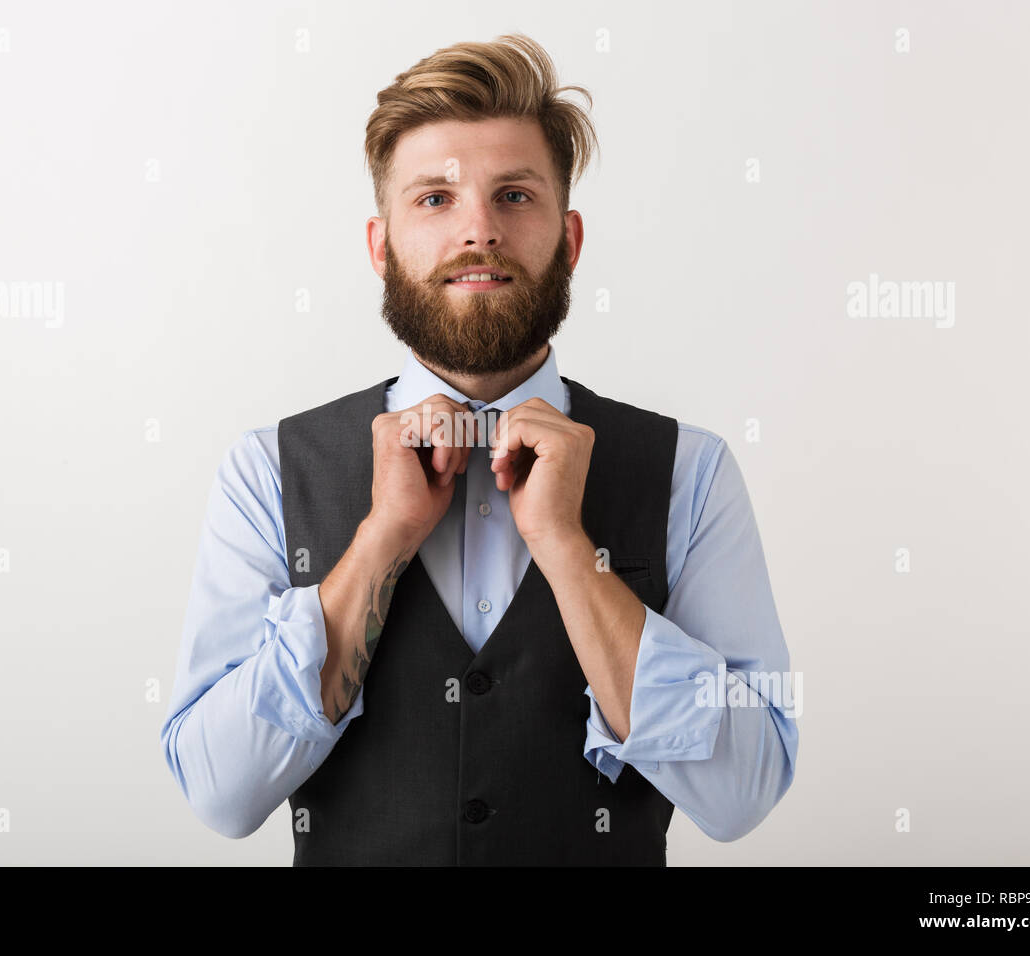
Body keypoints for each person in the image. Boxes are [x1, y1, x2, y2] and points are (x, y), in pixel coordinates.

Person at [161, 33, 798, 866]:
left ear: (569, 241)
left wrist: (570, 553)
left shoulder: (690, 471)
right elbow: (219, 794)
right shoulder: (268, 470)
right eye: (434, 198)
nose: (479, 232)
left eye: (514, 196)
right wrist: (380, 540)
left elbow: (743, 797)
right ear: (380, 244)